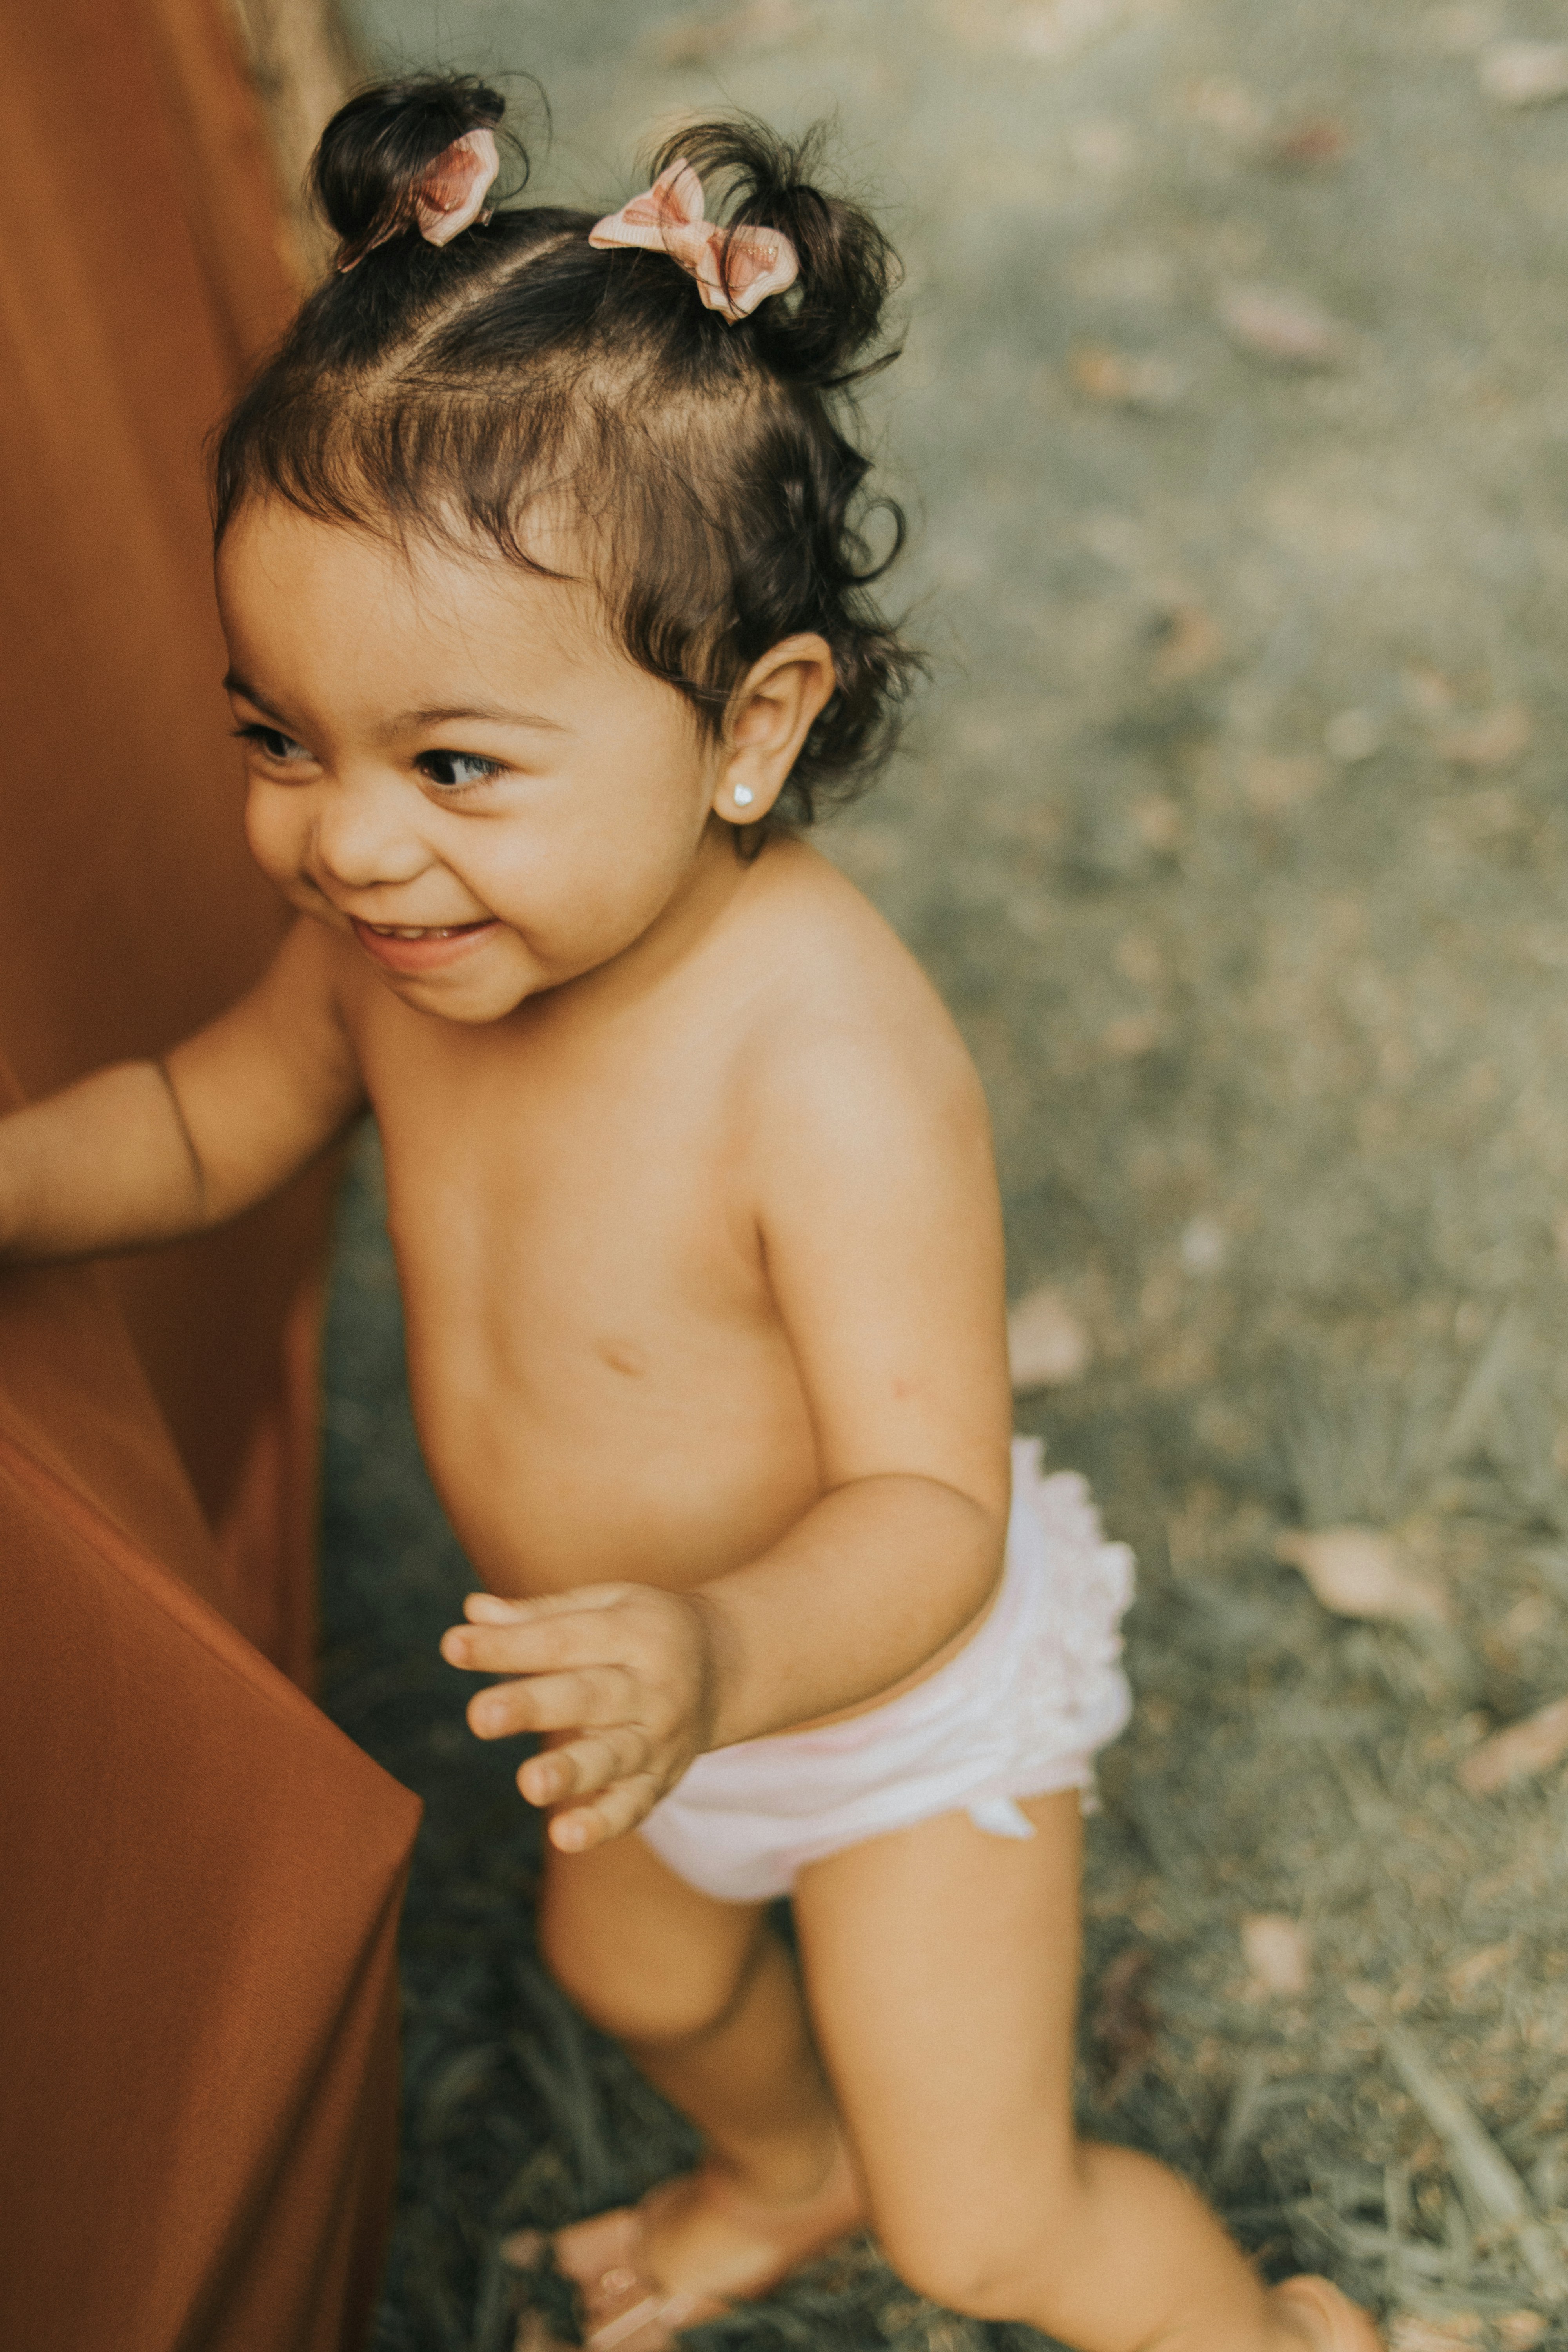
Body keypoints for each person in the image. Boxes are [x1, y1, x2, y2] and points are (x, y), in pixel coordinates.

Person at [0, 72, 1382, 2352]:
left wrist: (717, 1662)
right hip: (646, 1684)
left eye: (451, 763)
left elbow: (928, 1508)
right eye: (278, 739)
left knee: (988, 2230)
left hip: (866, 1697)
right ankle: (782, 2157)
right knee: (624, 1964)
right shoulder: (399, 944)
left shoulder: (822, 1059)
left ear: (752, 725)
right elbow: (190, 1125)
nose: (346, 842)